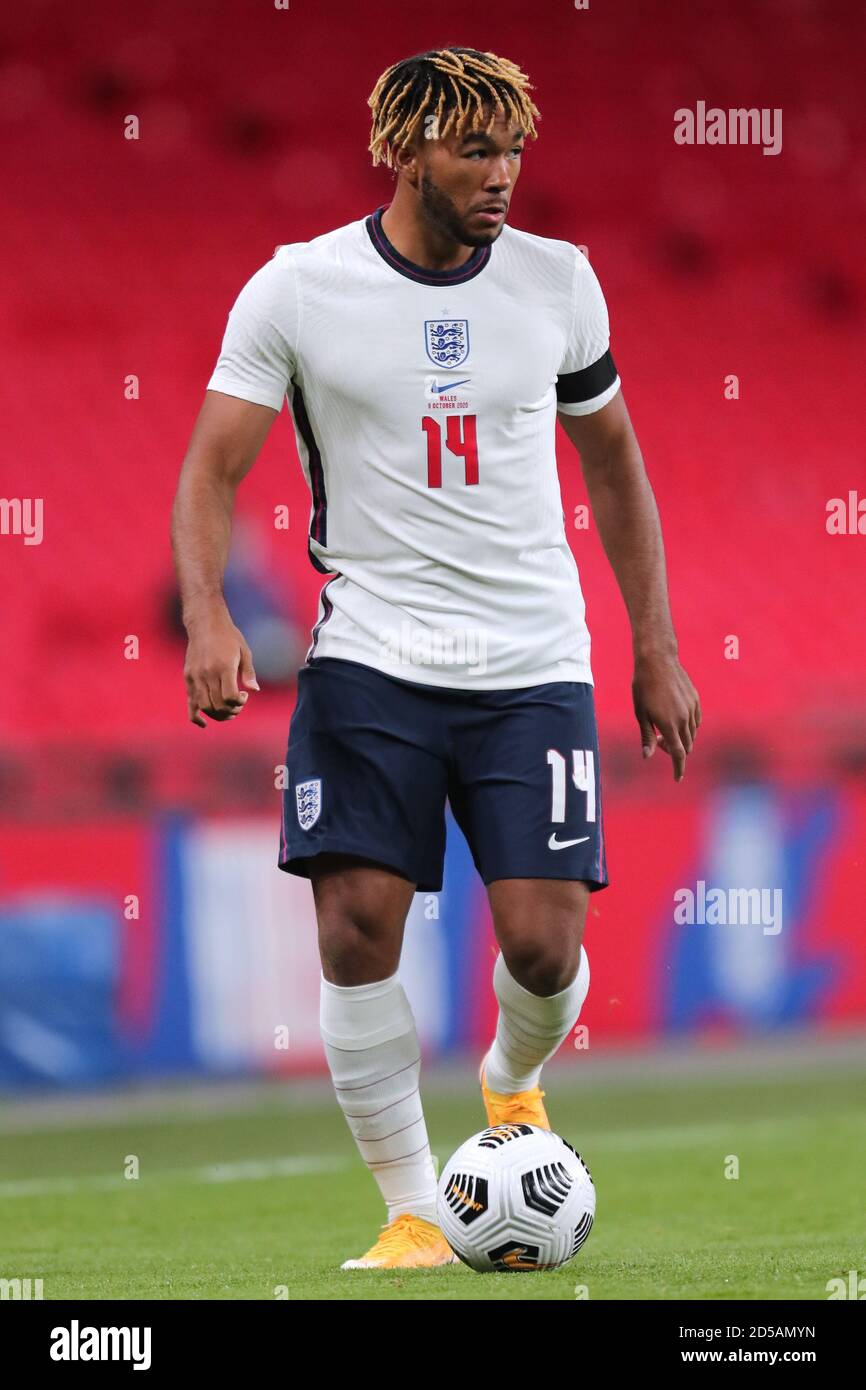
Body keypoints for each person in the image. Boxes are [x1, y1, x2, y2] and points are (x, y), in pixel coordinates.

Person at [171, 46, 701, 1271]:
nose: (504, 174)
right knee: (358, 925)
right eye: (476, 150)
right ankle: (415, 1208)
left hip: (530, 658)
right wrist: (208, 613)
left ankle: (511, 1082)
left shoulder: (559, 283)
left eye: (514, 150)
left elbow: (612, 461)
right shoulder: (299, 289)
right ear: (406, 151)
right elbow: (211, 466)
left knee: (541, 945)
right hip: (371, 655)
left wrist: (653, 645)